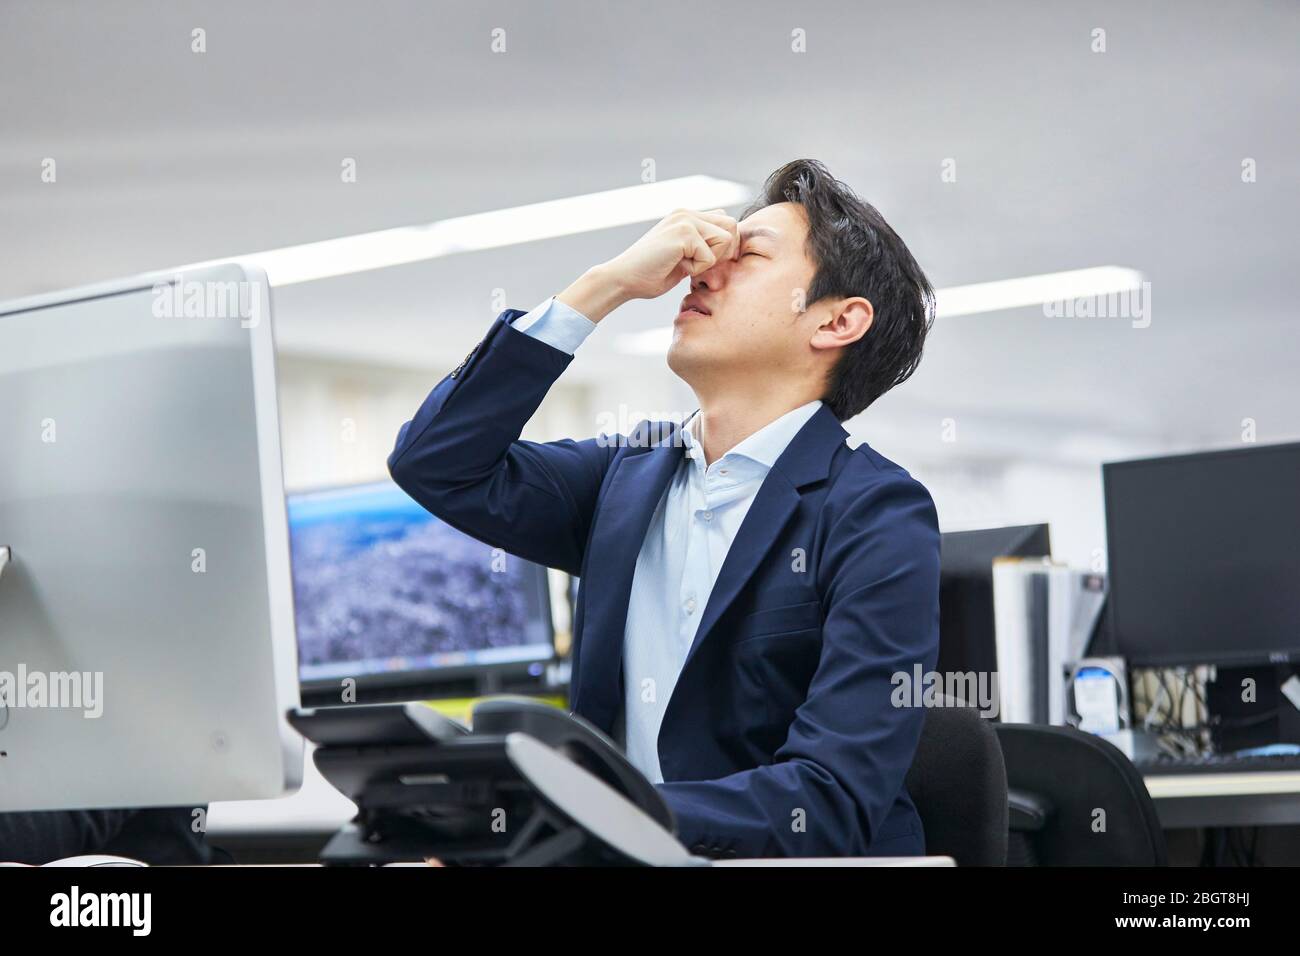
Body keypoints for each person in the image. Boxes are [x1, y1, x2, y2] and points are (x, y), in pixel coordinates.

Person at [390, 159, 940, 858]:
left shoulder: (877, 515)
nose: (701, 272)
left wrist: (581, 812)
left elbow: (830, 800)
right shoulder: (623, 478)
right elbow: (434, 461)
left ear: (836, 320)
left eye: (747, 257)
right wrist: (606, 285)